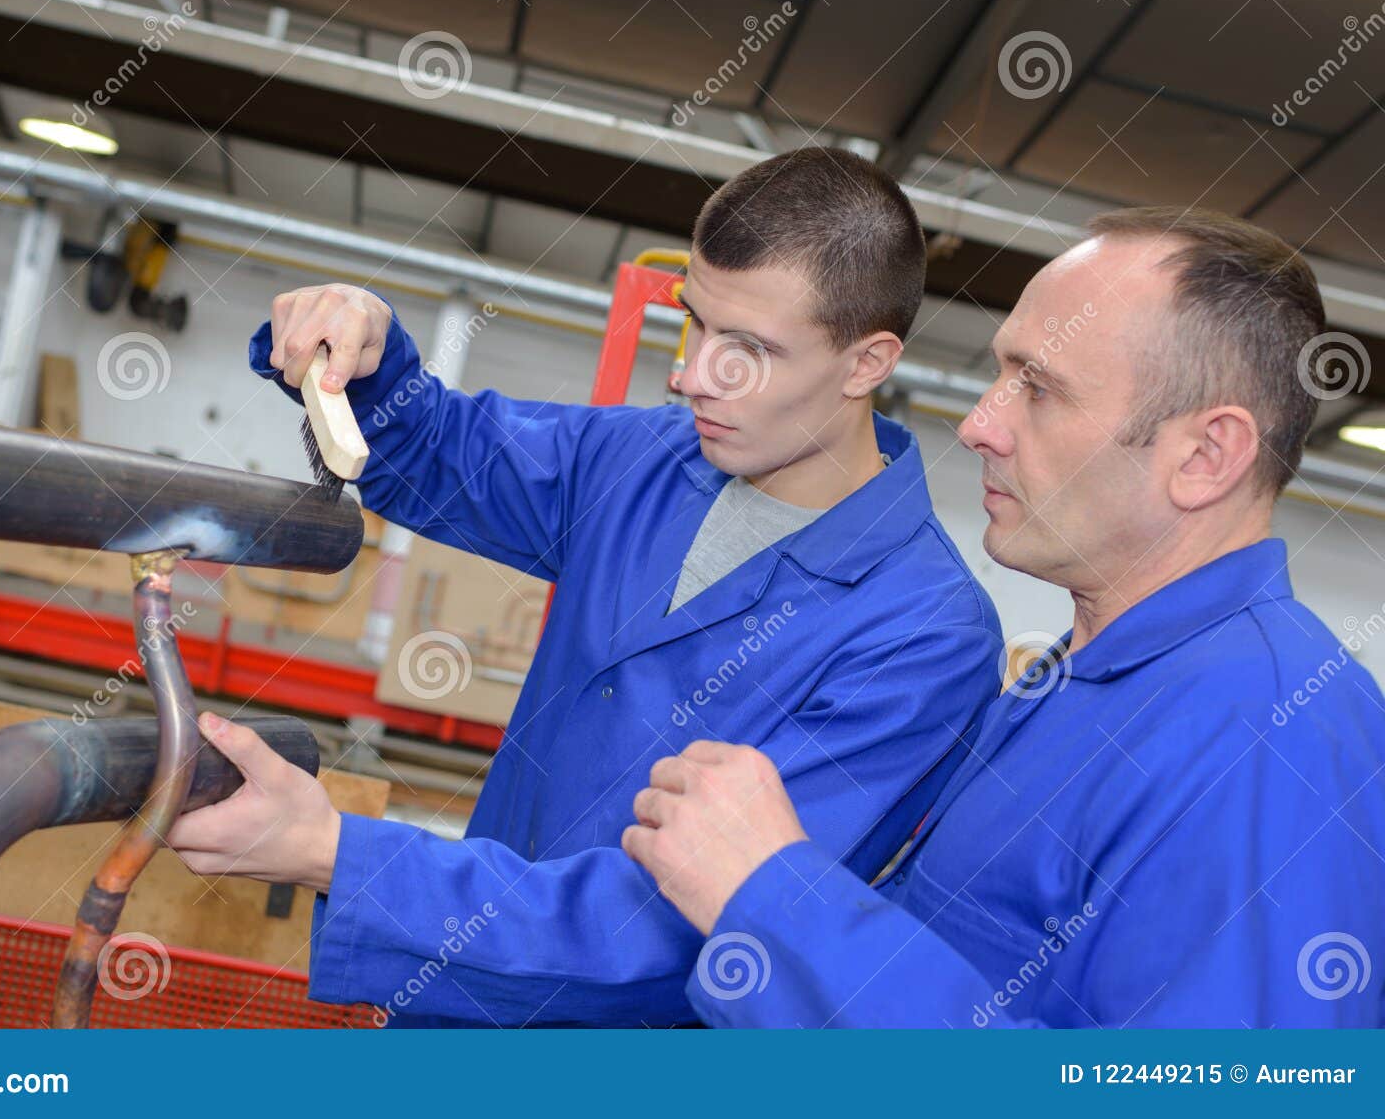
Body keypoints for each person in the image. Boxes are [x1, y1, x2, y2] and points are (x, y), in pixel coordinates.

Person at [168, 147, 1003, 1026]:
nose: (693, 376)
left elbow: (675, 926)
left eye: (750, 350)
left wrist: (336, 851)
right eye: (698, 326)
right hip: (452, 1010)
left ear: (868, 362)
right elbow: (435, 452)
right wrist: (361, 346)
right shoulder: (646, 459)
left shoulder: (923, 639)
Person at [624, 207, 1385, 1028]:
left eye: (1041, 388)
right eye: (1001, 376)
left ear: (1205, 458)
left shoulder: (1271, 739)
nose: (979, 424)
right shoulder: (1081, 674)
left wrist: (776, 901)